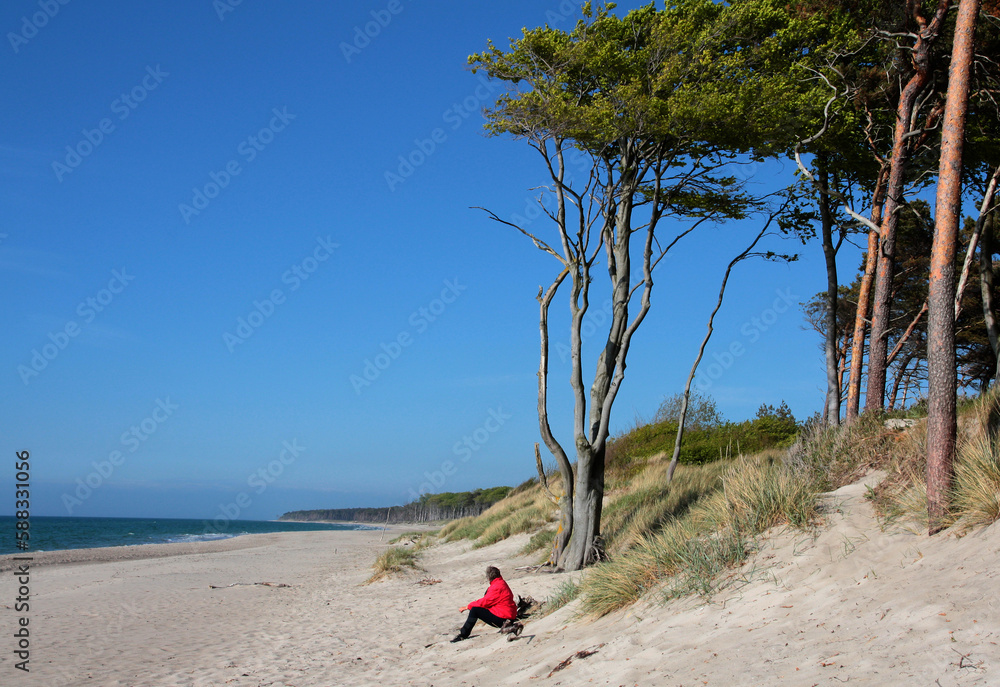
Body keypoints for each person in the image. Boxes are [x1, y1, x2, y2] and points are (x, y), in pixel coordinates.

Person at [451, 566, 521, 642]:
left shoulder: (496, 586)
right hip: (509, 615)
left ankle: (463, 635)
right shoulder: (501, 582)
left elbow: (485, 602)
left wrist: (468, 606)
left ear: (488, 577)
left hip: (504, 618)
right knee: (478, 608)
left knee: (475, 610)